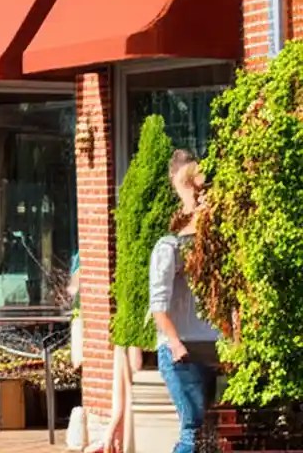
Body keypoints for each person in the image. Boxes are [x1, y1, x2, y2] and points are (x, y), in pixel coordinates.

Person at [150, 150, 219, 453]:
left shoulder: (215, 248)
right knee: (193, 430)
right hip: (183, 353)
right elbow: (158, 305)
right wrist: (176, 344)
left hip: (214, 348)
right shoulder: (169, 247)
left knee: (212, 436)